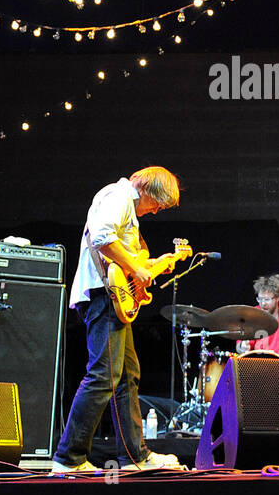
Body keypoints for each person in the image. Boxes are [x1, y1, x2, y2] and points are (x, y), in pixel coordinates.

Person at [52, 166, 184, 474]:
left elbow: (122, 261)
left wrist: (152, 265)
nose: (155, 212)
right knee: (103, 375)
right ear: (149, 190)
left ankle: (134, 456)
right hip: (102, 297)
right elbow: (101, 237)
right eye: (158, 205)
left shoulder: (126, 205)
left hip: (109, 295)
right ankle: (67, 458)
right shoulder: (119, 196)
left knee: (126, 376)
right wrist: (137, 270)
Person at [236, 273, 279, 356]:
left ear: (277, 298)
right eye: (260, 299)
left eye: (267, 299)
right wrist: (243, 347)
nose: (263, 303)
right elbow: (239, 347)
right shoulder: (252, 314)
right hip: (263, 364)